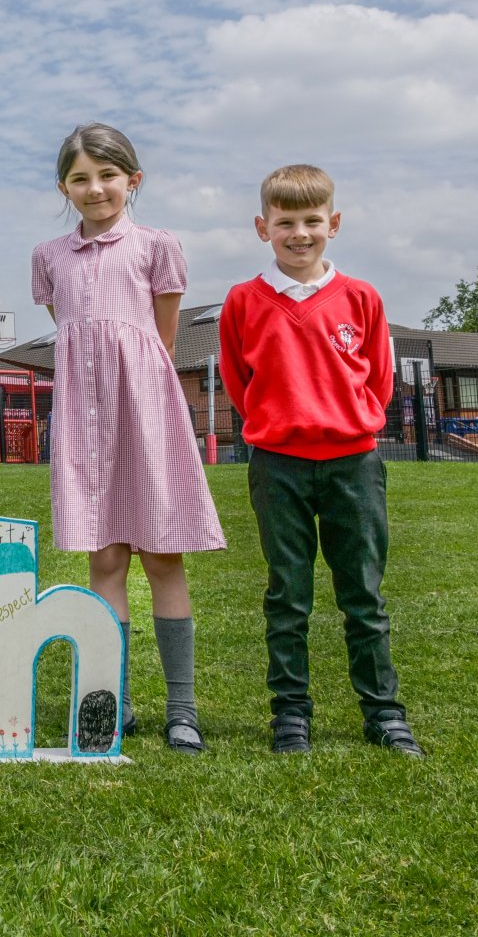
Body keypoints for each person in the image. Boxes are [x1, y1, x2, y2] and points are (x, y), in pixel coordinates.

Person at [30, 123, 225, 753]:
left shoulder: (156, 246)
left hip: (146, 413)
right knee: (106, 561)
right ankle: (111, 702)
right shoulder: (50, 257)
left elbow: (159, 339)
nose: (95, 189)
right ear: (64, 186)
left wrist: (135, 387)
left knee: (163, 557)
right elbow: (76, 336)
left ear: (132, 180)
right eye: (80, 178)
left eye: (108, 175)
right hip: (86, 425)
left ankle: (182, 709)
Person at [218, 164, 423, 756]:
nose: (299, 233)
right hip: (277, 465)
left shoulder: (362, 298)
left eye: (312, 221)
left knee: (363, 594)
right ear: (263, 227)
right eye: (285, 222)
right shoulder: (243, 301)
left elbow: (379, 381)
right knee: (287, 593)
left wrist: (347, 422)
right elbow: (238, 382)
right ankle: (290, 715)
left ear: (333, 223)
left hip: (353, 463)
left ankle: (383, 714)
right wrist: (278, 425)